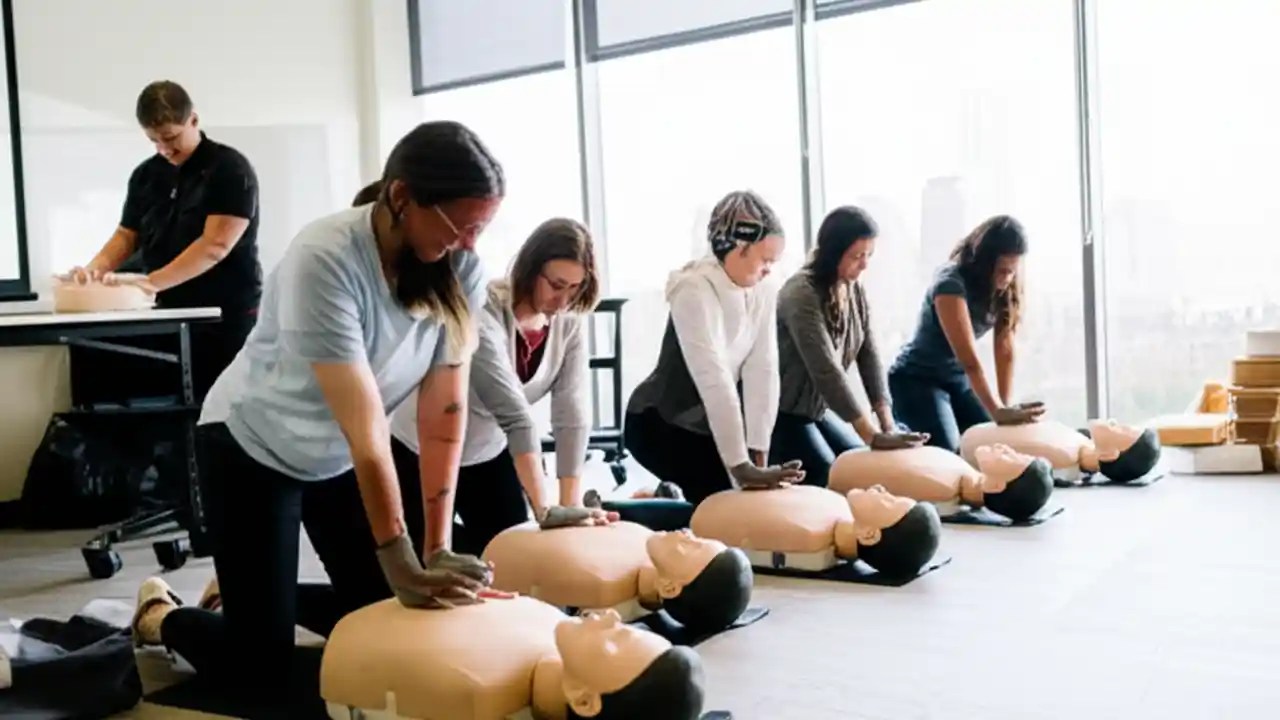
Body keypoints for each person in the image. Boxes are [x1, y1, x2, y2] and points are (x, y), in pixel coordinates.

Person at [128, 121, 509, 712]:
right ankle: (163, 616)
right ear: (403, 198)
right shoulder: (325, 256)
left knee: (398, 612)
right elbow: (366, 430)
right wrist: (398, 552)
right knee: (262, 665)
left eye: (483, 229)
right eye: (463, 227)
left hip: (335, 455)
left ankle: (250, 595)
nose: (472, 245)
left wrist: (434, 547)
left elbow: (444, 413)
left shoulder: (461, 268)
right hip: (251, 445)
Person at [388, 216, 617, 556]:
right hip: (422, 451)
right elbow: (515, 414)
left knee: (511, 556)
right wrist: (545, 511)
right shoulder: (483, 309)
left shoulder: (567, 325)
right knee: (426, 561)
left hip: (488, 452)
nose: (564, 301)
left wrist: (569, 506)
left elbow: (572, 416)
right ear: (530, 269)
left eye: (575, 288)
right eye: (556, 285)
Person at [73, 80, 262, 400]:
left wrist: (148, 284)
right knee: (162, 411)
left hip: (224, 317)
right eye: (154, 141)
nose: (164, 149)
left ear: (194, 121)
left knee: (223, 410)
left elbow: (215, 246)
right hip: (166, 314)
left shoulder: (230, 169)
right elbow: (126, 235)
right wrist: (95, 270)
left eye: (172, 138)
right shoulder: (147, 174)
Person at [623, 190, 805, 512]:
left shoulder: (762, 289)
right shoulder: (692, 288)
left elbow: (763, 371)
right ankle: (623, 510)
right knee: (722, 506)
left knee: (751, 501)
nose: (768, 270)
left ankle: (662, 495)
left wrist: (758, 456)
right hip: (659, 423)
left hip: (706, 426)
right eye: (765, 260)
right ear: (737, 248)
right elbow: (714, 381)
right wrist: (740, 466)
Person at [771, 206, 927, 487]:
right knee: (832, 476)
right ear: (833, 252)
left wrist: (886, 425)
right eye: (857, 256)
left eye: (868, 255)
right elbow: (826, 371)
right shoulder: (800, 293)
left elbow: (870, 355)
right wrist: (871, 435)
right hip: (781, 416)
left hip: (815, 412)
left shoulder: (852, 288)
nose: (864, 264)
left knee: (862, 469)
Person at [887, 214, 1045, 453]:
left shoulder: (1008, 284)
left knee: (993, 445)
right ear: (984, 263)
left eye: (1012, 271)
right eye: (1001, 271)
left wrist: (1003, 407)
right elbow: (969, 360)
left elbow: (1005, 348)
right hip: (917, 378)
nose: (1007, 278)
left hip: (957, 379)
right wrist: (996, 412)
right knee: (950, 451)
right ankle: (899, 425)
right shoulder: (950, 282)